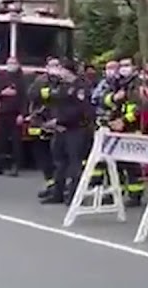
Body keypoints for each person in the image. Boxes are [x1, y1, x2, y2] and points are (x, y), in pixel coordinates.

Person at [42, 60, 94, 205]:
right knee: (59, 163)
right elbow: (56, 105)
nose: (59, 72)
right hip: (61, 130)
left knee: (74, 164)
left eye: (61, 69)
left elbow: (79, 111)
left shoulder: (80, 87)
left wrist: (59, 121)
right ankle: (57, 194)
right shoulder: (62, 86)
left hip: (76, 130)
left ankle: (74, 196)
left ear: (68, 71)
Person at [103, 57, 148, 206]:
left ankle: (135, 195)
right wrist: (113, 99)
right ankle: (115, 192)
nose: (123, 68)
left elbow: (142, 107)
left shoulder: (138, 84)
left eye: (127, 65)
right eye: (121, 65)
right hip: (116, 127)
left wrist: (123, 121)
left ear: (134, 67)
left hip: (131, 128)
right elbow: (105, 100)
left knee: (131, 165)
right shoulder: (118, 83)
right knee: (114, 163)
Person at [27, 56, 61, 199]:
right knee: (43, 158)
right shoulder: (40, 80)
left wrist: (51, 93)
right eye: (52, 65)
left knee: (57, 158)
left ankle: (59, 187)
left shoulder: (65, 81)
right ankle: (50, 184)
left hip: (57, 124)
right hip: (40, 124)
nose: (55, 68)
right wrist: (47, 92)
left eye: (57, 65)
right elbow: (31, 94)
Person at [0, 56, 28, 176]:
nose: (11, 65)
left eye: (13, 63)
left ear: (18, 64)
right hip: (2, 113)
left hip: (15, 114)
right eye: (9, 63)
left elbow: (25, 99)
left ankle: (15, 166)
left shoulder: (22, 80)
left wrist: (22, 114)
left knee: (16, 142)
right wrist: (2, 93)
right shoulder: (1, 78)